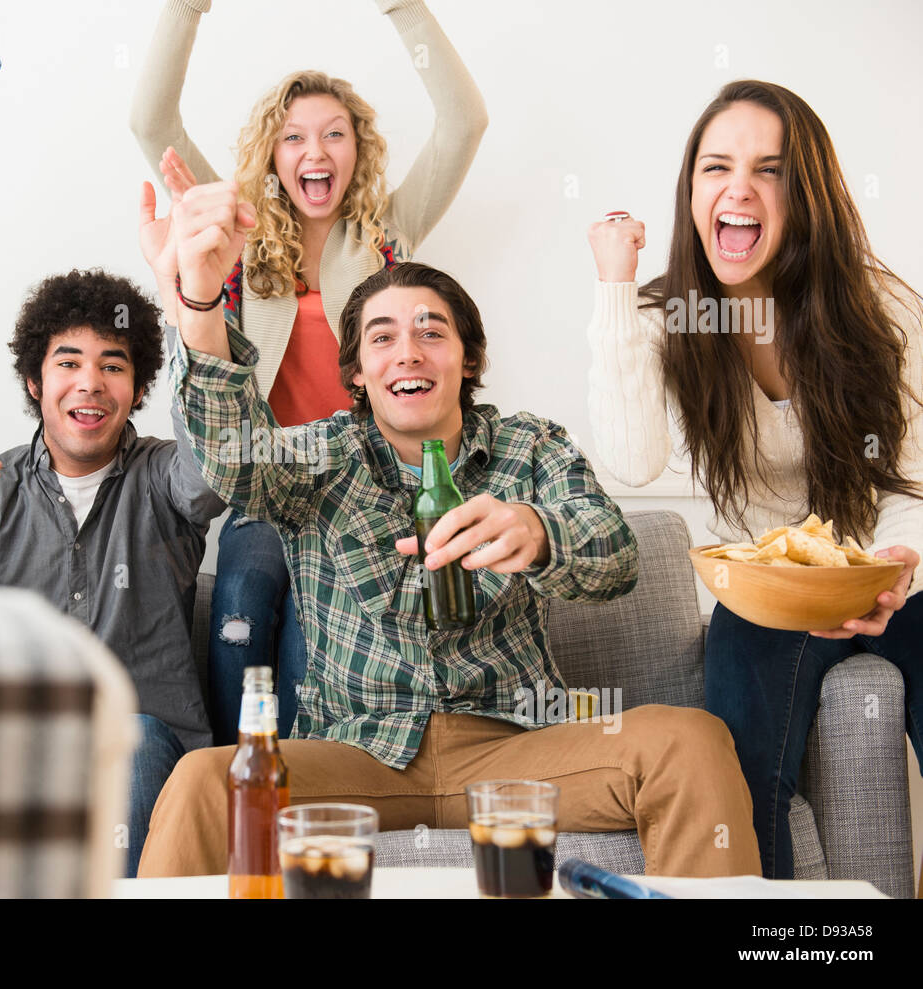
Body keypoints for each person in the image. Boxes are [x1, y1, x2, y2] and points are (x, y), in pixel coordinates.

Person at [136, 172, 762, 877]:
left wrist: (540, 532)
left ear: (468, 361)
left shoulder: (531, 446)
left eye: (432, 332)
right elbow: (228, 462)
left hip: (515, 748)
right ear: (360, 373)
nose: (408, 351)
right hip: (357, 754)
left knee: (690, 738)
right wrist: (199, 298)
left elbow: (616, 555)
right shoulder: (318, 454)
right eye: (383, 338)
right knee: (198, 782)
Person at [585, 79, 922, 880]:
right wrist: (614, 290)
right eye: (716, 168)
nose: (739, 188)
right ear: (691, 192)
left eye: (769, 170)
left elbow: (912, 484)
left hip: (887, 571)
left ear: (804, 194)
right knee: (739, 765)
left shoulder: (880, 311)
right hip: (769, 589)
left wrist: (896, 573)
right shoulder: (667, 320)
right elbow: (632, 462)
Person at [131, 0, 487, 742]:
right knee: (239, 604)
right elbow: (151, 123)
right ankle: (235, 775)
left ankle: (301, 788)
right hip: (269, 480)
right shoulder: (236, 224)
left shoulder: (390, 228)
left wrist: (402, 8)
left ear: (357, 150)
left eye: (333, 133)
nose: (314, 150)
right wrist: (187, 8)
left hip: (359, 489)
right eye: (293, 137)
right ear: (272, 153)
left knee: (306, 643)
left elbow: (464, 123)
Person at [0, 269, 226, 878]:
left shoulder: (164, 475)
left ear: (139, 386)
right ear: (34, 381)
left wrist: (196, 308)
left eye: (113, 365)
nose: (90, 384)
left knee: (135, 737)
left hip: (151, 753)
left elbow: (214, 473)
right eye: (68, 363)